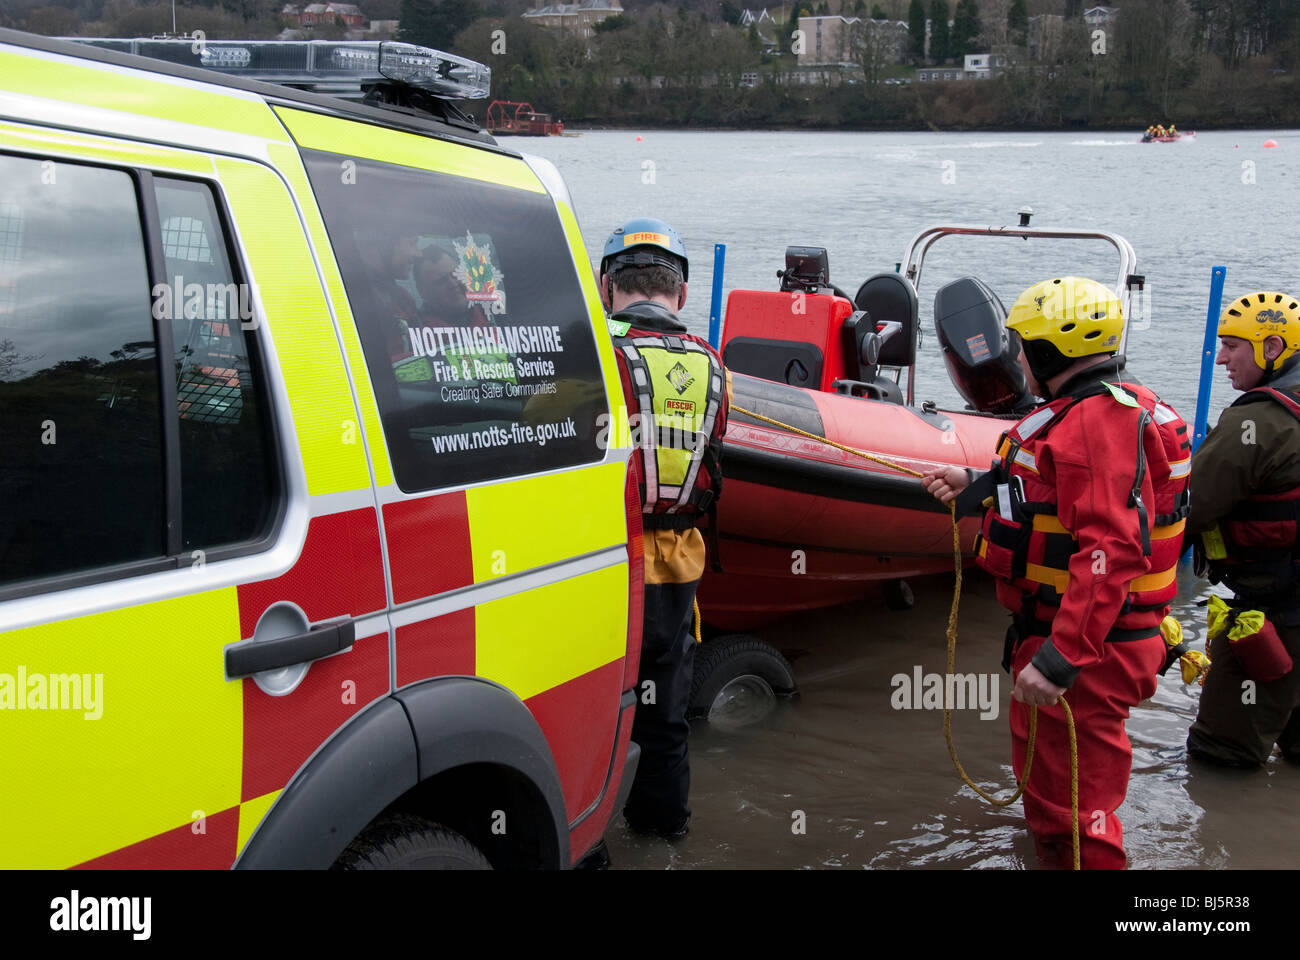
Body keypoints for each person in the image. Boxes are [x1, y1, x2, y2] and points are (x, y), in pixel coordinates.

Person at [922, 277, 1190, 869]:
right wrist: (981, 484)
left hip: (1088, 645)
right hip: (1092, 635)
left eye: (1022, 344)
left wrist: (1061, 658)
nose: (1014, 356)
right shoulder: (1111, 407)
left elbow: (1111, 546)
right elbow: (1061, 492)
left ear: (1049, 352)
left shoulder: (1098, 423)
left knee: (1076, 813)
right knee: (1055, 796)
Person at [600, 217, 728, 842]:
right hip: (679, 565)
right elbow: (715, 446)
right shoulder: (712, 365)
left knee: (597, 710)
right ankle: (662, 836)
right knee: (665, 715)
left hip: (604, 562)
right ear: (678, 294)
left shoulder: (597, 354)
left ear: (606, 285)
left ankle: (588, 845)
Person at [1186, 291, 1300, 768]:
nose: (1223, 358)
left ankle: (1216, 842)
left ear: (1272, 348)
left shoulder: (1256, 422)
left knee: (1220, 756)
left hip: (1276, 619)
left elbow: (1188, 509)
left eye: (1234, 345)